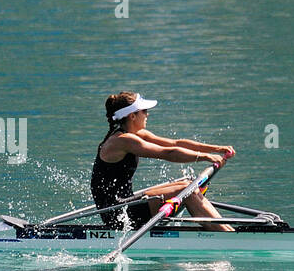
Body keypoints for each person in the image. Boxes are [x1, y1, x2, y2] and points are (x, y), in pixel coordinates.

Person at [89, 92, 235, 232]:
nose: (147, 114)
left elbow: (175, 143)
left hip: (126, 203)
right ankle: (228, 236)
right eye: (144, 111)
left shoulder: (133, 134)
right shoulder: (123, 141)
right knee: (187, 191)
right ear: (132, 116)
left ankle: (227, 230)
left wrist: (217, 149)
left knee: (188, 184)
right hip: (117, 214)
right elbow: (168, 153)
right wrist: (205, 157)